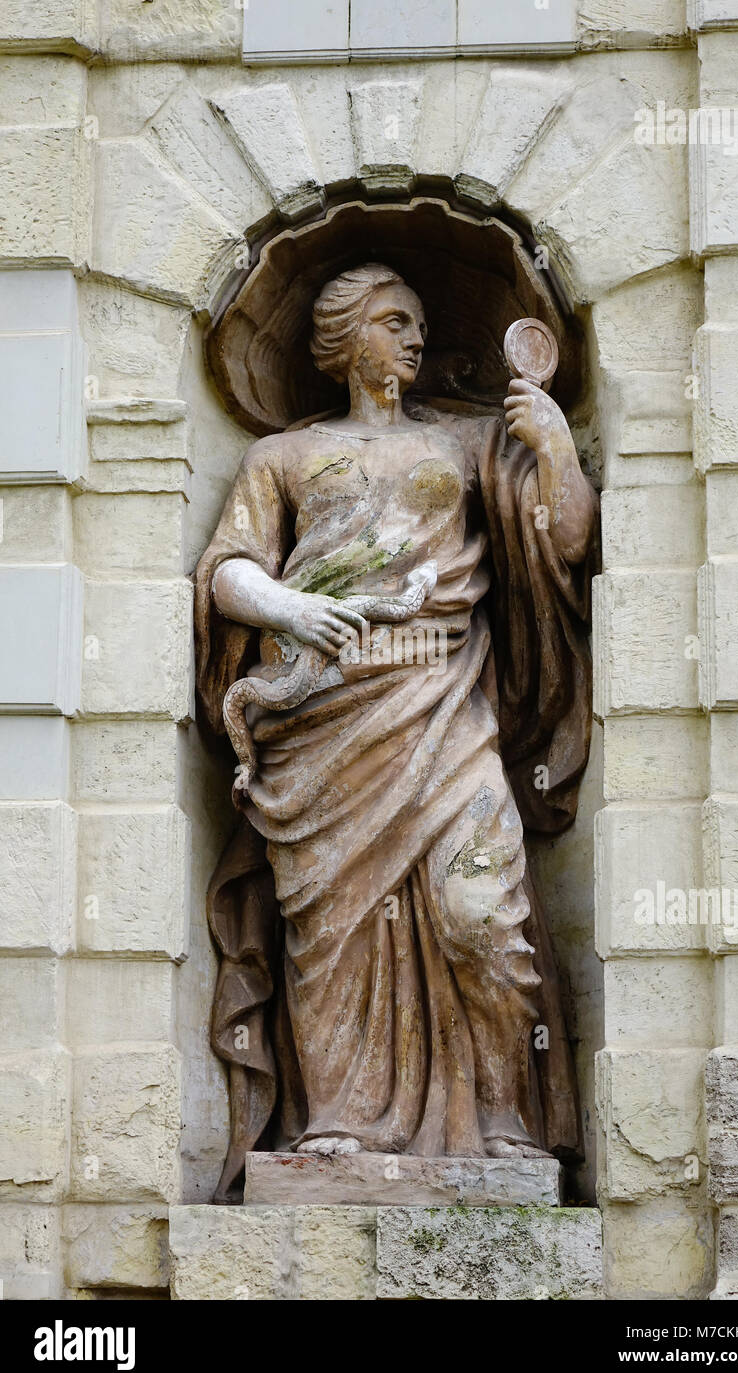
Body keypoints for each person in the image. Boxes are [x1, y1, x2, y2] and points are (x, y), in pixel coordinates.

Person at [195, 264, 599, 1201]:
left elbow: (569, 541)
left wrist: (557, 449)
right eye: (390, 322)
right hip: (324, 716)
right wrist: (288, 609)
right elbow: (226, 570)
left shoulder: (465, 442)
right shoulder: (283, 459)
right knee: (331, 931)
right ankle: (331, 1120)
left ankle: (501, 1122)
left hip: (447, 706)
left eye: (418, 323)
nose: (411, 339)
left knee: (480, 914)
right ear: (342, 344)